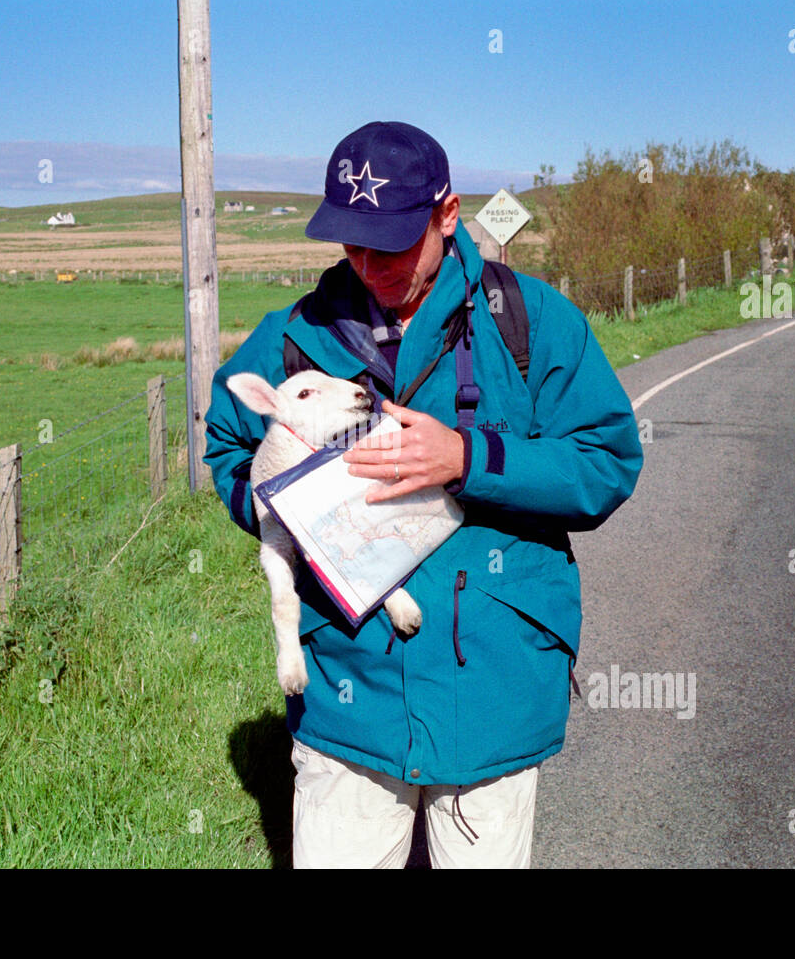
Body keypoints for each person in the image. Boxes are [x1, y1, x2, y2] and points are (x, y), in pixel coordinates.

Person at [204, 121, 642, 868]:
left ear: (448, 214)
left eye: (393, 245)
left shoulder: (531, 322)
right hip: (350, 690)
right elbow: (228, 448)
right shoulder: (294, 338)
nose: (369, 266)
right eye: (352, 245)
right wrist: (291, 521)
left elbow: (605, 461)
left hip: (491, 695)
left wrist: (469, 456)